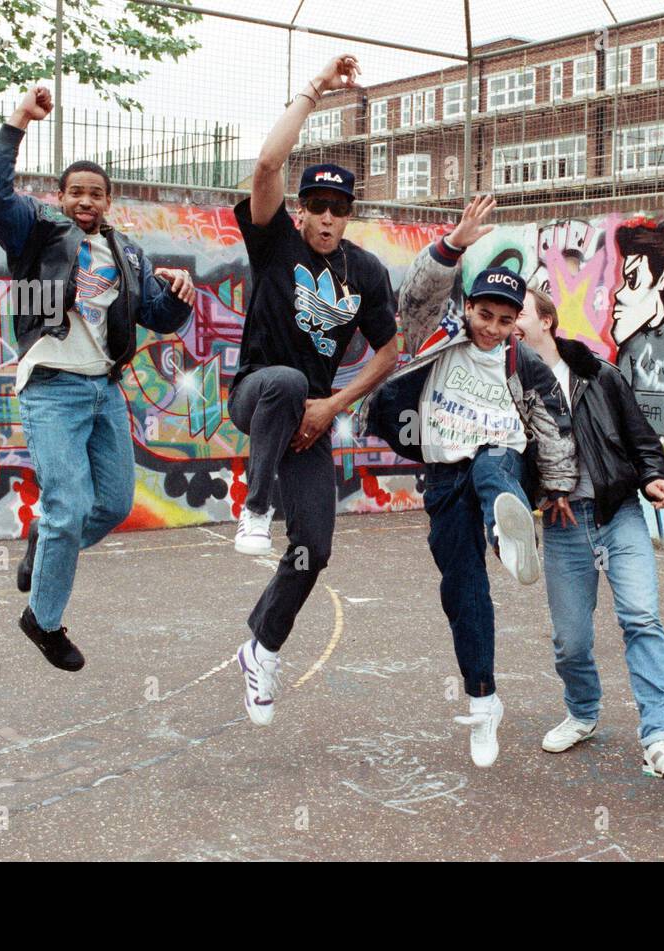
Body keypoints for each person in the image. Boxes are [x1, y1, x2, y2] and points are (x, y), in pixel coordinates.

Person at [0, 85, 195, 672]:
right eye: (76, 192)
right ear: (60, 196)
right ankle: (43, 621)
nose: (86, 201)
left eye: (96, 193)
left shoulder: (127, 253)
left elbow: (156, 316)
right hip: (52, 387)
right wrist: (19, 119)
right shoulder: (36, 232)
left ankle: (44, 545)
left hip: (104, 388)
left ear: (109, 201)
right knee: (67, 506)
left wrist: (181, 294)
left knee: (113, 504)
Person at [361, 196, 578, 767]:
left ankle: (508, 531)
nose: (493, 328)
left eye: (507, 321)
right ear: (470, 306)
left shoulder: (521, 363)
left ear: (517, 325)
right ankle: (484, 702)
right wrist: (453, 243)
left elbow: (553, 425)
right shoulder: (437, 337)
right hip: (443, 475)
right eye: (486, 315)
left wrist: (555, 487)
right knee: (462, 592)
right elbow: (415, 297)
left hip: (500, 461)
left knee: (493, 463)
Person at [228, 54, 400, 726]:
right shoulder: (275, 243)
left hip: (310, 421)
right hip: (259, 395)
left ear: (349, 214)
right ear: (300, 211)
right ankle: (254, 508)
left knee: (315, 548)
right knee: (288, 380)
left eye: (338, 209)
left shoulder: (365, 272)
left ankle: (262, 646)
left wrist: (336, 405)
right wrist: (314, 91)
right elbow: (268, 164)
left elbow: (388, 349)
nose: (327, 219)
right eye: (317, 207)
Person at [515, 289, 664, 780]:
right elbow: (509, 462)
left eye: (521, 315)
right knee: (570, 642)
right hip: (562, 526)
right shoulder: (508, 388)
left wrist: (654, 474)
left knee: (641, 618)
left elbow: (640, 438)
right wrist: (534, 495)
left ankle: (661, 738)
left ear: (547, 321)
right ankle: (582, 711)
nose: (511, 324)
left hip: (618, 514)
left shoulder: (600, 375)